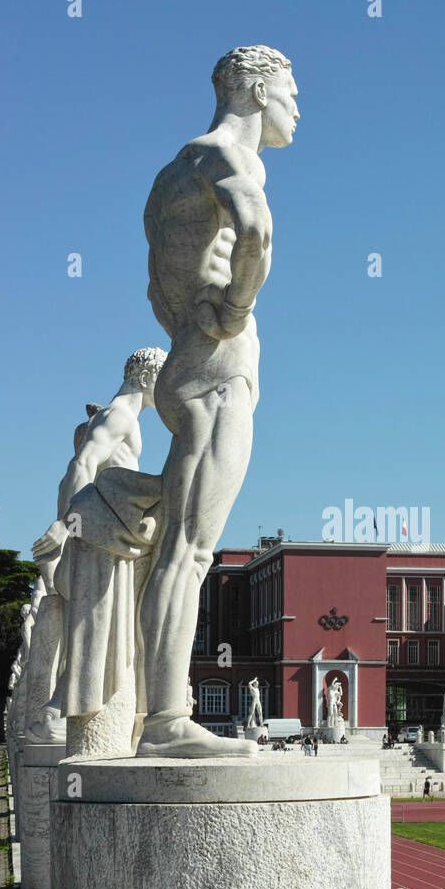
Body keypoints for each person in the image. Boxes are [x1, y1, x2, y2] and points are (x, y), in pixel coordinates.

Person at [135, 46, 299, 757]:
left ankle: (162, 717)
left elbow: (156, 284)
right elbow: (256, 232)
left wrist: (193, 323)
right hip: (217, 368)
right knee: (189, 552)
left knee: (180, 545)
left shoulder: (172, 173)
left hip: (185, 360)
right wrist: (234, 309)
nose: (297, 107)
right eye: (292, 90)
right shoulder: (228, 159)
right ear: (258, 87)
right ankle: (167, 723)